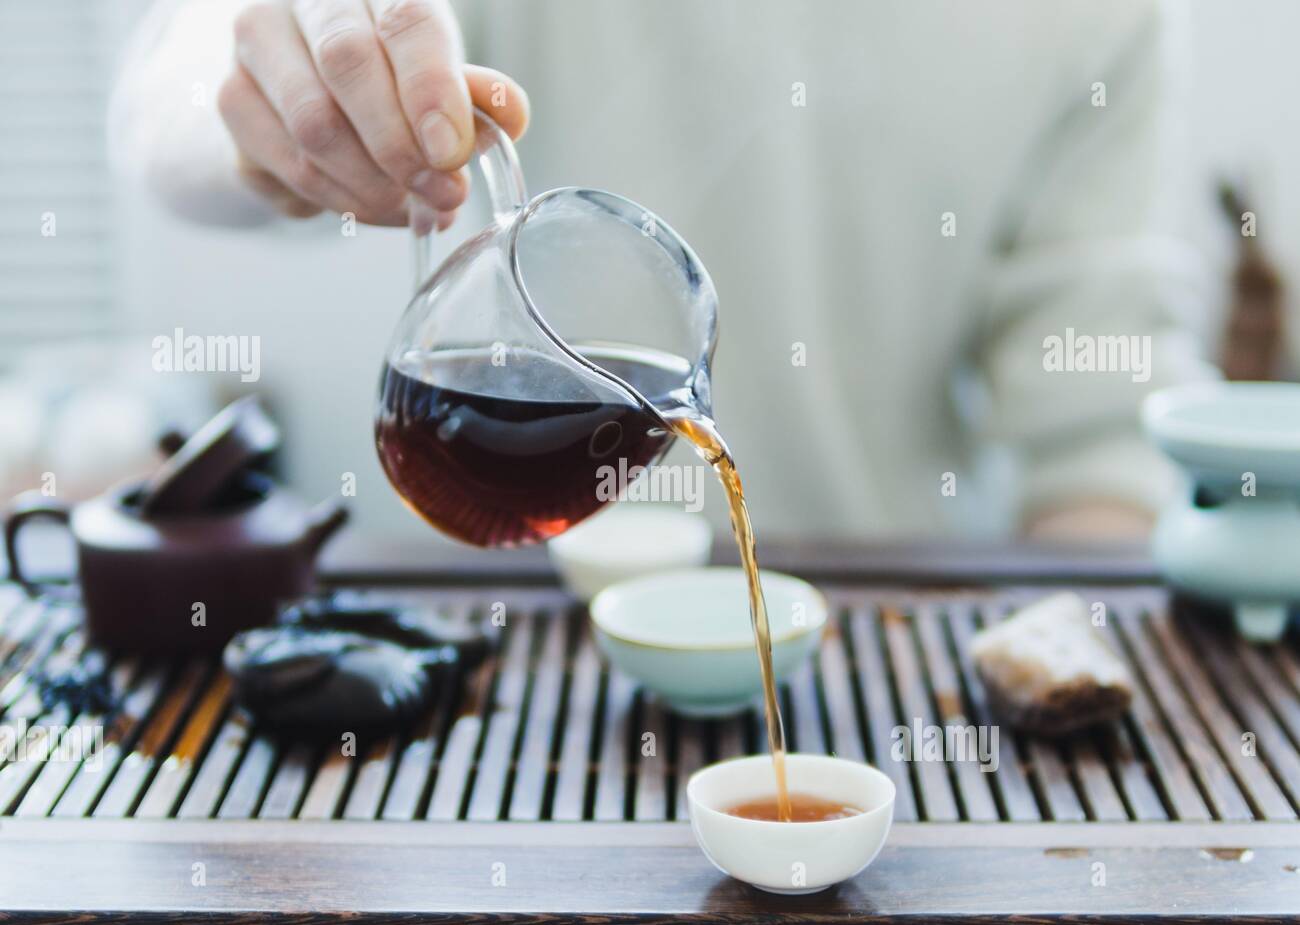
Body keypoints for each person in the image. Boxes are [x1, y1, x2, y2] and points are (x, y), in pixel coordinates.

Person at [110, 0, 1215, 542]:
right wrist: (277, 107)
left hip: (874, 638)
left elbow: (1101, 442)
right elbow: (176, 78)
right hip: (473, 639)